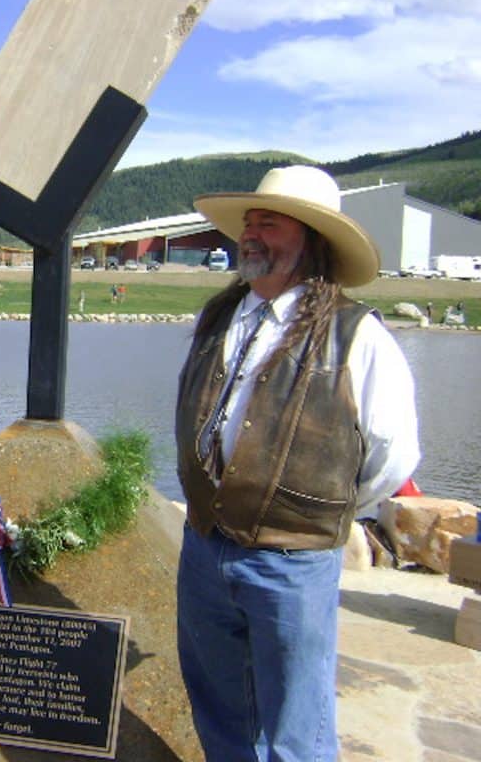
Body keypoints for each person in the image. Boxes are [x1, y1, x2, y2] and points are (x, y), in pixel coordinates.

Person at [174, 165, 420, 761]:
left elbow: (392, 455)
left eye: (270, 224)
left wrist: (314, 510)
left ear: (311, 240)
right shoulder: (218, 317)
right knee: (219, 710)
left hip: (293, 562)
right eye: (249, 223)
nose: (251, 234)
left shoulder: (357, 335)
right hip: (204, 549)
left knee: (296, 728)